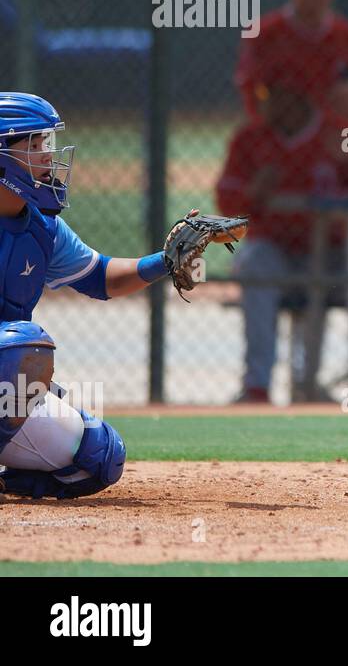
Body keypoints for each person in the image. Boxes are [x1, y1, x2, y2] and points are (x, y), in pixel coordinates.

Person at [0, 92, 195, 498]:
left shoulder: (41, 228)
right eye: (32, 145)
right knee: (18, 346)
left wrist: (166, 260)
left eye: (46, 143)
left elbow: (101, 277)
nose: (46, 156)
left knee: (100, 458)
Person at [216, 60, 348, 404]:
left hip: (333, 257)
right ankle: (257, 386)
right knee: (254, 265)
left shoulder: (340, 133)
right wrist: (254, 193)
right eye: (268, 95)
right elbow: (225, 203)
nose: (272, 103)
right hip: (275, 253)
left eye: (281, 95)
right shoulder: (251, 138)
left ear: (303, 96)